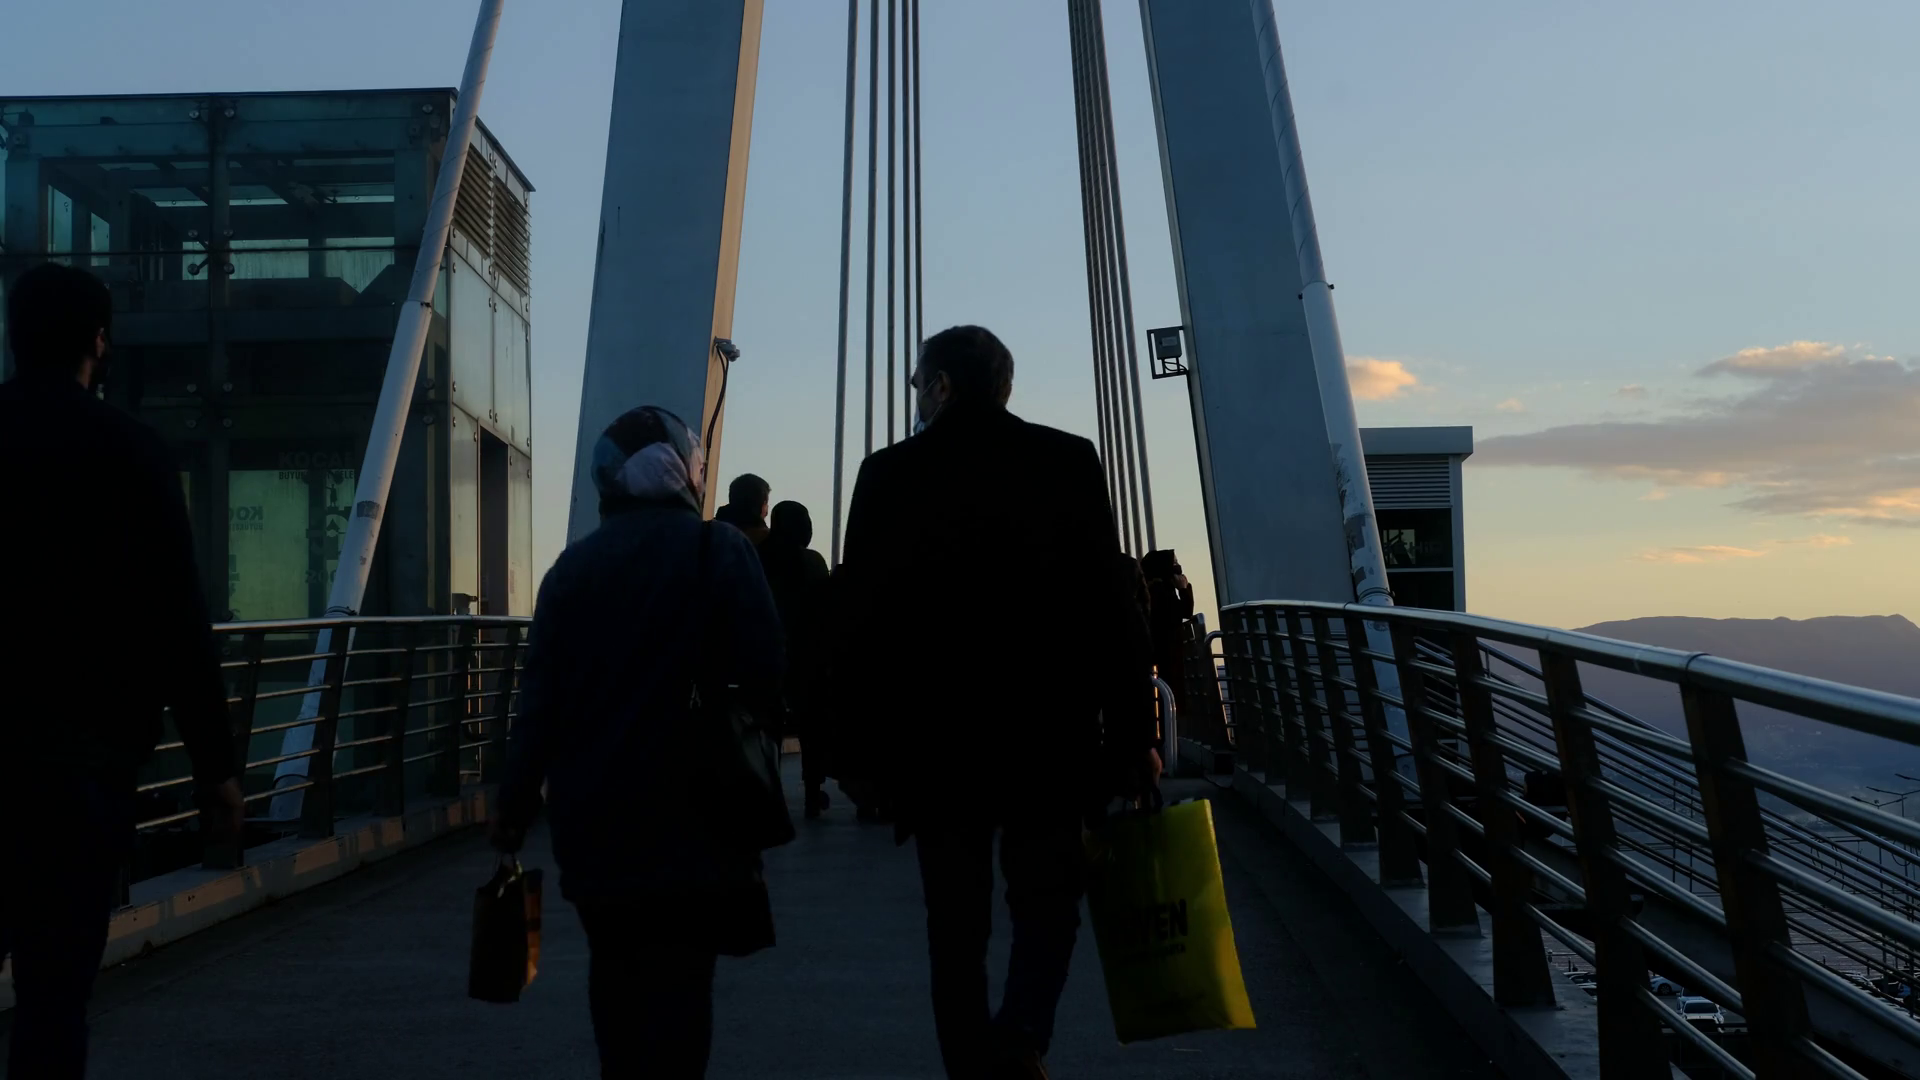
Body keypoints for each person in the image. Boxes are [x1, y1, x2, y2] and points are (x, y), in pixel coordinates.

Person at [836, 325, 1160, 1078]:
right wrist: (1137, 733)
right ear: (1003, 387)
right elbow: (1114, 610)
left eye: (919, 383)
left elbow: (855, 623)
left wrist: (850, 752)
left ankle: (969, 1067)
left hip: (935, 742)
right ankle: (1021, 1035)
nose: (917, 396)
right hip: (1048, 736)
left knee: (954, 924)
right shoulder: (1068, 459)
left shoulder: (888, 474)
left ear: (942, 385)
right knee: (1048, 901)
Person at [0, 262, 246, 1078]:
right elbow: (180, 620)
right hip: (81, 771)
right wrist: (217, 770)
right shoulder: (133, 453)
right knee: (53, 997)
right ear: (97, 345)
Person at [492, 405, 784, 1079]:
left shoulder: (572, 570)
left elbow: (538, 704)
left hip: (596, 814)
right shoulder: (724, 551)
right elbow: (767, 668)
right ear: (686, 472)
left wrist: (511, 804)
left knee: (615, 970)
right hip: (701, 809)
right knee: (685, 980)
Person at [758, 500, 835, 818]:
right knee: (812, 725)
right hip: (808, 656)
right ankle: (813, 792)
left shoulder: (758, 559)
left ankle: (766, 791)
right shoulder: (813, 563)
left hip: (766, 654)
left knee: (768, 725)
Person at [713, 472, 772, 547]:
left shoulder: (710, 533)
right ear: (760, 505)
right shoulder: (770, 542)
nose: (767, 512)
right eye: (766, 503)